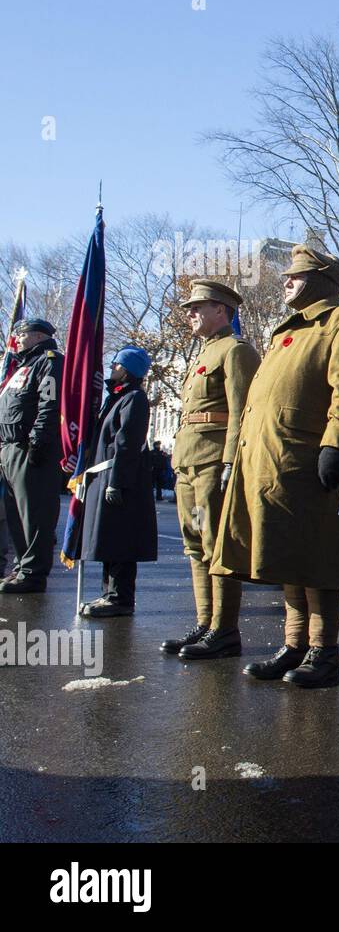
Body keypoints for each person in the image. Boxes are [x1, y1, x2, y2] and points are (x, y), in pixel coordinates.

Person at [212, 245, 339, 689]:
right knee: (288, 555)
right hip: (270, 461)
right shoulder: (286, 331)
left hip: (307, 459)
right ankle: (294, 645)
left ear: (321, 281)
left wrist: (337, 444)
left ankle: (324, 653)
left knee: (318, 557)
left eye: (296, 276)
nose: (286, 281)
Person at [162, 279, 261, 659]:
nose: (190, 313)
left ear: (221, 310)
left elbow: (242, 412)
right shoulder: (203, 353)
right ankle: (205, 623)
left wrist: (230, 460)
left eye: (197, 307)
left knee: (215, 544)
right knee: (194, 544)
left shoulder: (235, 351)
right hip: (189, 460)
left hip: (213, 460)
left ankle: (224, 629)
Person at [77, 347, 158, 617]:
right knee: (109, 540)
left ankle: (120, 598)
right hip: (108, 476)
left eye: (116, 365)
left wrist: (117, 481)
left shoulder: (134, 399)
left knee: (121, 541)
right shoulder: (117, 398)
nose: (112, 368)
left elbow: (126, 443)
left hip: (121, 480)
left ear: (128, 369)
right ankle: (109, 594)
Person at [0, 318, 63, 594]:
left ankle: (34, 573)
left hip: (29, 447)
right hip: (9, 447)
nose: (17, 339)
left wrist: (38, 439)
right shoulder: (22, 364)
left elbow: (49, 403)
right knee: (16, 514)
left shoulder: (48, 360)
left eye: (21, 334)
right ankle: (22, 566)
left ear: (38, 336)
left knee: (35, 513)